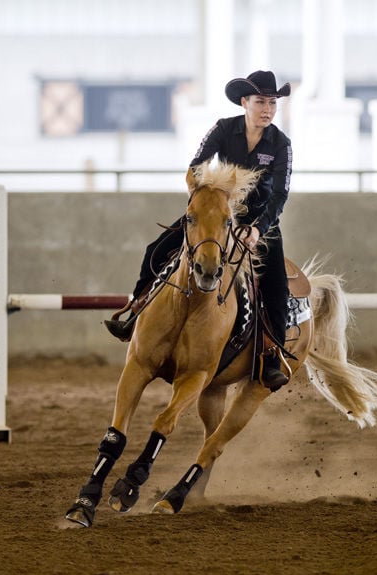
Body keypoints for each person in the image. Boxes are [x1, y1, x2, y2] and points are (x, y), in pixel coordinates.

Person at [111, 70, 293, 390]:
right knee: (156, 249)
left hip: (258, 223)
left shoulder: (281, 144)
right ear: (245, 102)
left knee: (277, 285)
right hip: (215, 214)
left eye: (273, 103)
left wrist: (257, 229)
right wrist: (205, 197)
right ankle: (135, 310)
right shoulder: (224, 129)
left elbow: (279, 195)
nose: (268, 109)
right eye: (261, 102)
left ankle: (271, 356)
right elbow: (197, 165)